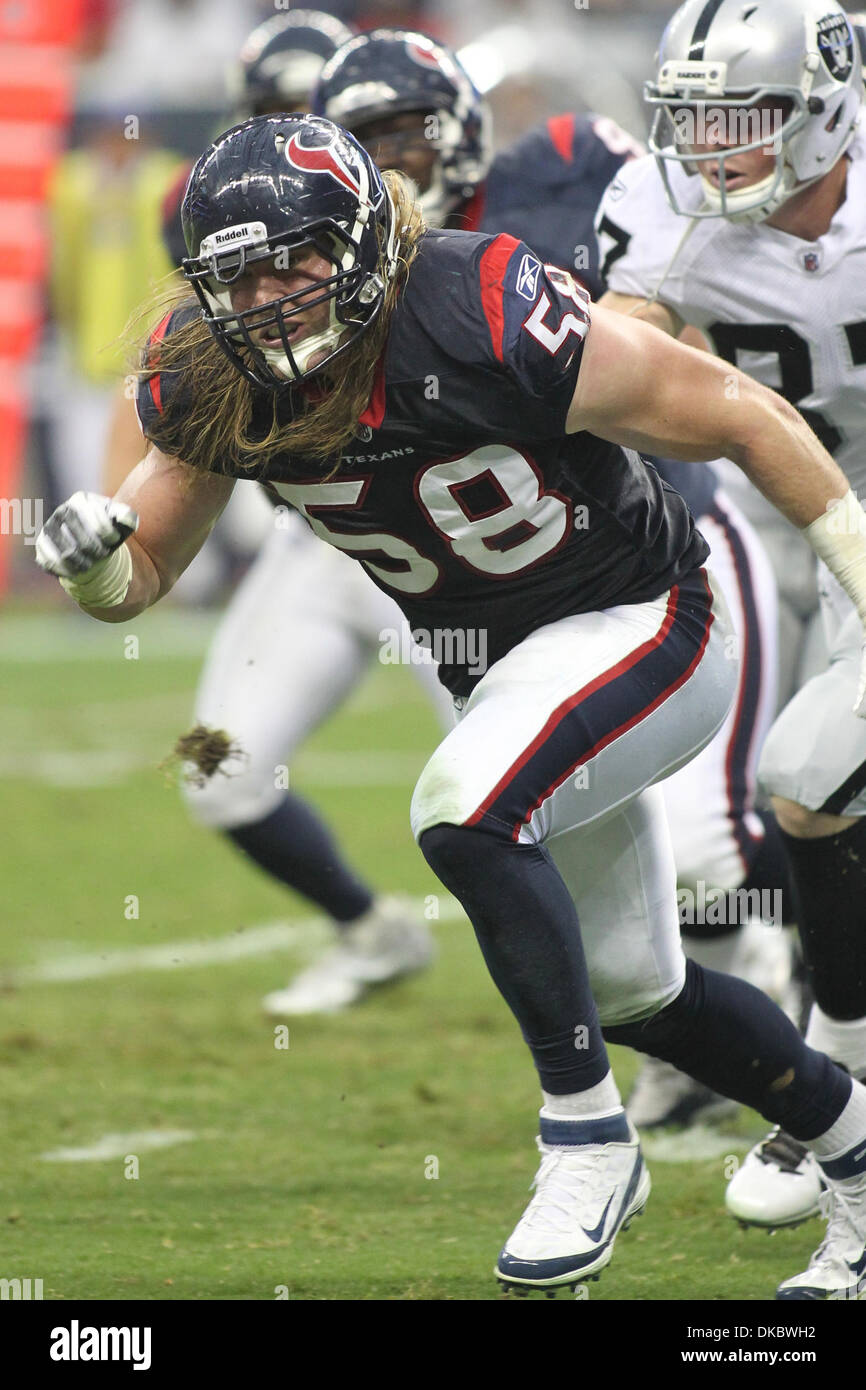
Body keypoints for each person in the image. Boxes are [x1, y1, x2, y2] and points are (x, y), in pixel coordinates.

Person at [35, 113, 866, 1300]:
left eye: (293, 261)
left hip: (650, 619)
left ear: (362, 240)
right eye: (238, 277)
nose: (268, 299)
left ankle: (583, 1139)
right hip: (513, 668)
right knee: (637, 992)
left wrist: (857, 582)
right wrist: (92, 568)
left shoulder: (474, 309)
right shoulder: (212, 370)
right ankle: (855, 1152)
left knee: (462, 808)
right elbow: (145, 571)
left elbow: (738, 411)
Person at [318, 27, 792, 1129]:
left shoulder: (570, 167)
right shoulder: (345, 281)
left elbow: (681, 271)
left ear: (461, 121)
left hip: (669, 538)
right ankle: (722, 1038)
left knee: (725, 836)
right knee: (572, 842)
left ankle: (801, 1001)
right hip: (509, 598)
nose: (395, 159)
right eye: (367, 142)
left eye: (408, 130)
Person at [104, 10, 451, 1017]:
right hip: (316, 535)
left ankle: (689, 973)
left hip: (442, 541)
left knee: (517, 795)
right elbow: (174, 370)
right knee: (221, 771)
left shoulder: (421, 221)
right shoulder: (208, 216)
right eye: (269, 112)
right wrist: (122, 509)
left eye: (305, 112)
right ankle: (370, 930)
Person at [595, 0, 866, 1234]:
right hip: (774, 502)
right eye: (692, 120)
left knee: (809, 775)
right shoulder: (665, 207)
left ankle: (837, 1078)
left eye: (741, 117)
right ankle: (830, 1064)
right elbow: (619, 349)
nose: (711, 149)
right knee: (773, 794)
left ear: (825, 109)